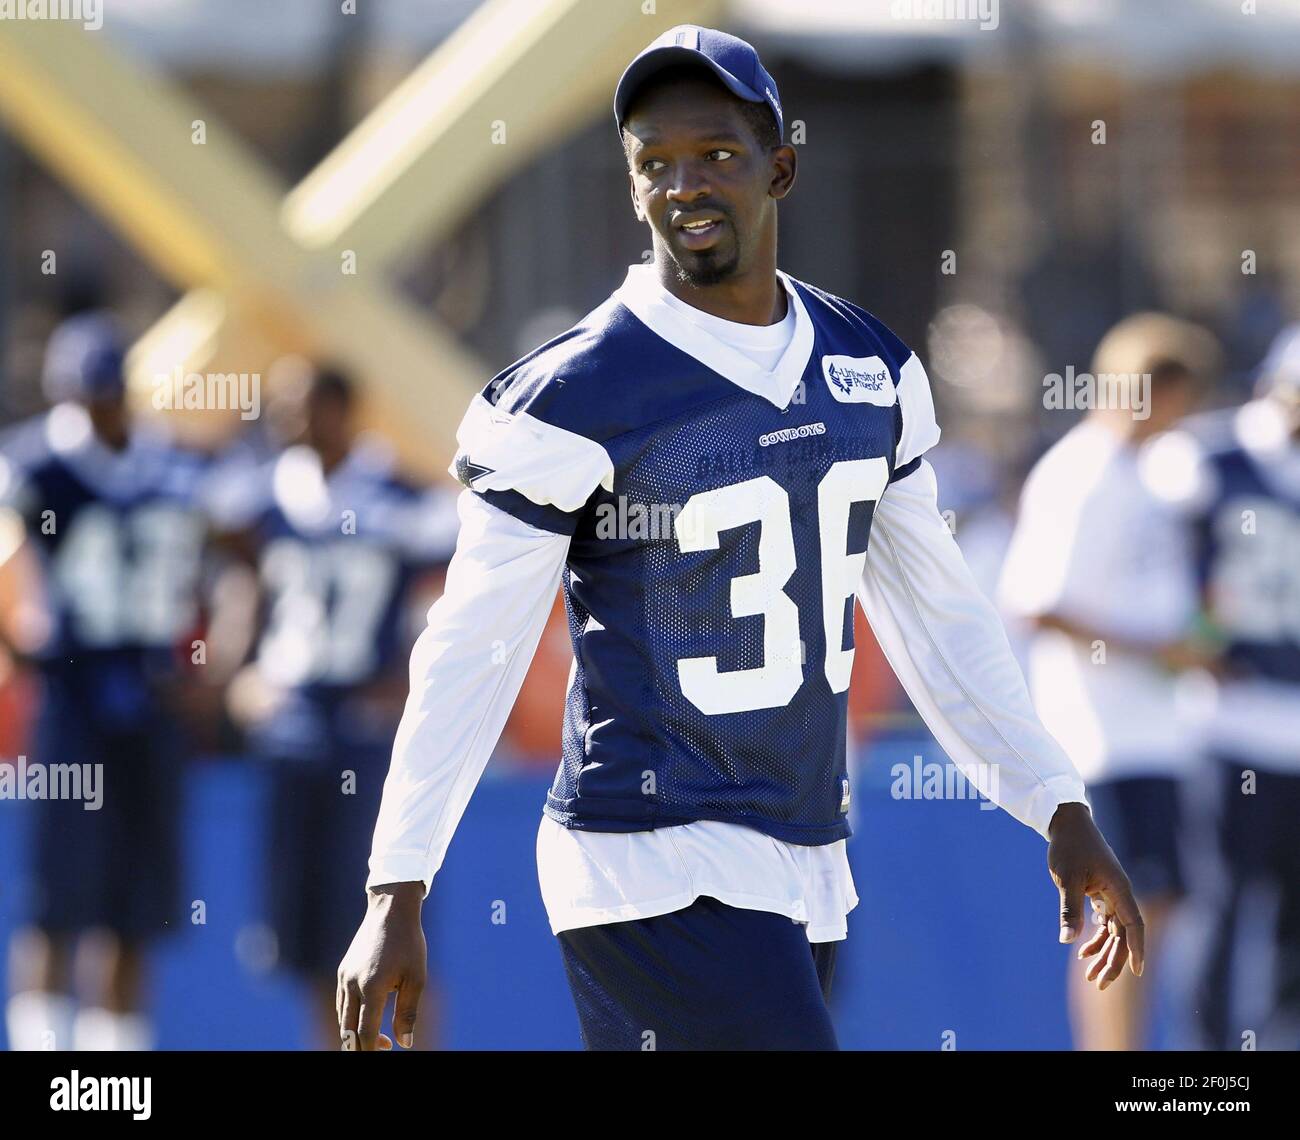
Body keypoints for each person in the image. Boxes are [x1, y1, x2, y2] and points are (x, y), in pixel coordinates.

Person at [338, 25, 1142, 1051]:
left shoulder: (867, 368)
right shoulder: (570, 396)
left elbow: (937, 615)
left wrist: (1054, 806)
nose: (684, 185)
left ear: (781, 167)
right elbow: (472, 645)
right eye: (654, 164)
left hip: (802, 851)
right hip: (646, 853)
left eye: (715, 154)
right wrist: (396, 881)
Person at [209, 361, 457, 1049]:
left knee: (386, 924)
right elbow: (241, 590)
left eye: (304, 407)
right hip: (293, 733)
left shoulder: (401, 499)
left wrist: (410, 683)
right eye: (284, 408)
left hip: (368, 737)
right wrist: (240, 675)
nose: (291, 422)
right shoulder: (263, 499)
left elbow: (458, 599)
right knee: (314, 942)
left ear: (344, 410)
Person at [998, 314, 1221, 1050]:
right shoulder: (1081, 473)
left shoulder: (1144, 471)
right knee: (1122, 907)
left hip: (1152, 733)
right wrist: (1156, 650)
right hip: (1101, 735)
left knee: (1153, 906)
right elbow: (1038, 605)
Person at [1, 312, 207, 1051]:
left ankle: (112, 1076)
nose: (88, 411)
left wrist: (221, 667)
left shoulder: (178, 466)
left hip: (149, 697)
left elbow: (248, 549)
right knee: (56, 898)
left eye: (99, 394)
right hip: (68, 692)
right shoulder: (33, 467)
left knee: (135, 906)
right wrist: (15, 641)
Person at [1150, 325, 1300, 1050]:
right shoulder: (1202, 459)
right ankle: (1205, 1070)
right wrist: (1188, 637)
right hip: (1231, 720)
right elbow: (1147, 560)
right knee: (1221, 904)